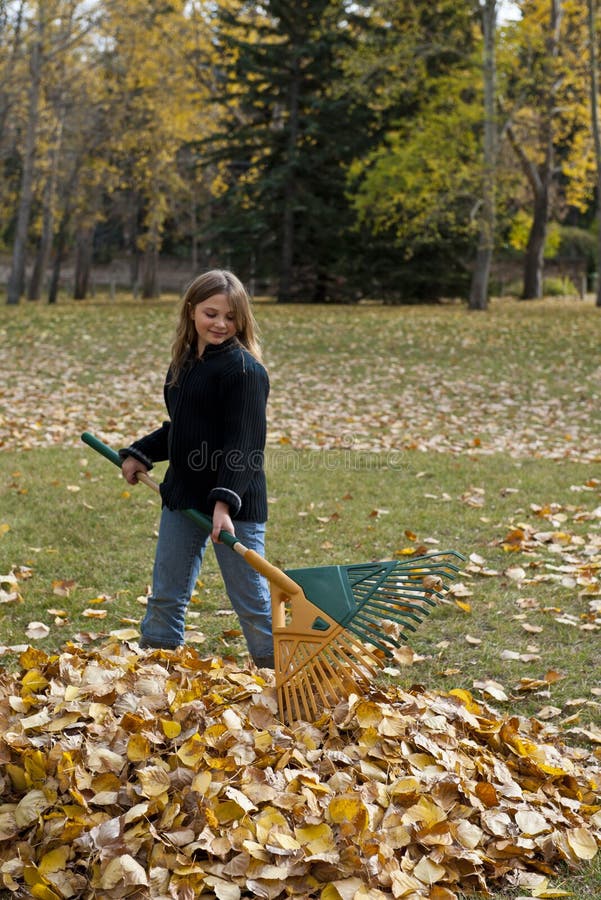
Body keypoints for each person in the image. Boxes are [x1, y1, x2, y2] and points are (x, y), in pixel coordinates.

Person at [119, 269, 274, 668]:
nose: (221, 324)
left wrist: (224, 504)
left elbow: (245, 445)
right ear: (191, 312)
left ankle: (278, 669)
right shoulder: (185, 364)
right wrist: (141, 453)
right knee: (167, 591)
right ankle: (157, 666)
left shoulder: (245, 371)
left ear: (242, 320)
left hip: (234, 505)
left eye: (231, 316)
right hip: (184, 496)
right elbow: (184, 429)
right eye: (211, 313)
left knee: (251, 599)